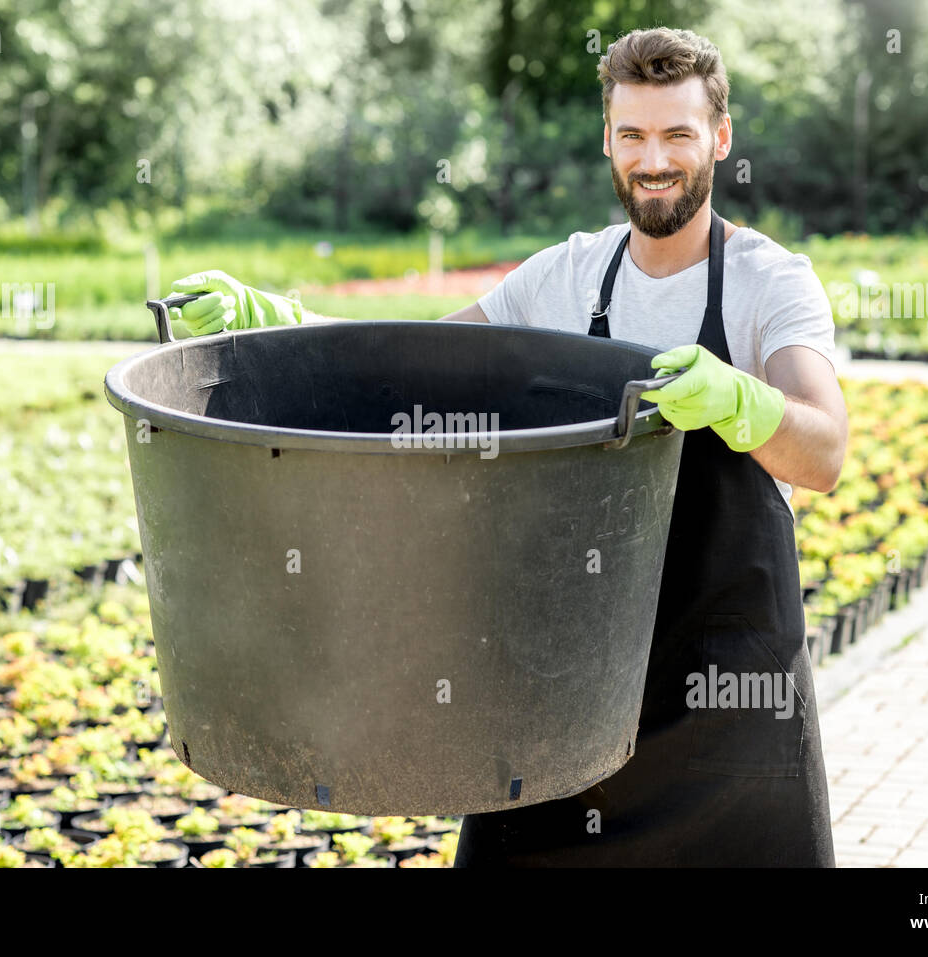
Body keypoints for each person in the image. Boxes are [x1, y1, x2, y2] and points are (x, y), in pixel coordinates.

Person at [169, 25, 846, 867]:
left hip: (723, 708)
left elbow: (823, 450)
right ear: (608, 139)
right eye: (632, 134)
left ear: (720, 138)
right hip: (567, 701)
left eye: (677, 133)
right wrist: (286, 329)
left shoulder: (768, 283)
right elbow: (413, 368)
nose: (654, 159)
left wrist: (741, 400)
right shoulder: (566, 277)